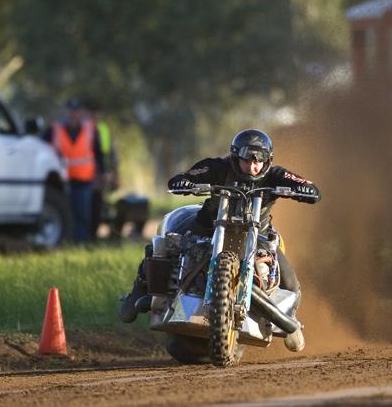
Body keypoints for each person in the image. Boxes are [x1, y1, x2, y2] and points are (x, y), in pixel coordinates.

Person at [119, 129, 320, 350]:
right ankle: (136, 294)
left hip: (258, 235)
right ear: (235, 156)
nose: (253, 166)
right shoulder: (217, 167)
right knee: (163, 244)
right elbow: (187, 176)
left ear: (268, 160)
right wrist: (184, 182)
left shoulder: (275, 175)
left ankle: (291, 322)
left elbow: (305, 185)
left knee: (290, 281)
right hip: (207, 228)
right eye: (247, 159)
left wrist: (304, 189)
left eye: (259, 160)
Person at [43, 98, 104, 243]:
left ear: (81, 113)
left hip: (84, 180)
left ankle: (81, 242)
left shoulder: (90, 129)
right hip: (61, 180)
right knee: (65, 213)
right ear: (66, 112)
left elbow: (98, 152)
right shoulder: (55, 129)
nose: (73, 115)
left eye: (76, 111)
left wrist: (102, 171)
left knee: (83, 214)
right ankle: (65, 241)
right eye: (71, 111)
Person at [86, 100, 120, 238]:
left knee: (98, 206)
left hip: (101, 176)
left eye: (97, 113)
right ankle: (87, 235)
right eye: (92, 113)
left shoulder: (104, 129)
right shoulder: (85, 129)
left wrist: (114, 174)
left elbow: (111, 154)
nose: (95, 116)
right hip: (85, 175)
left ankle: (93, 235)